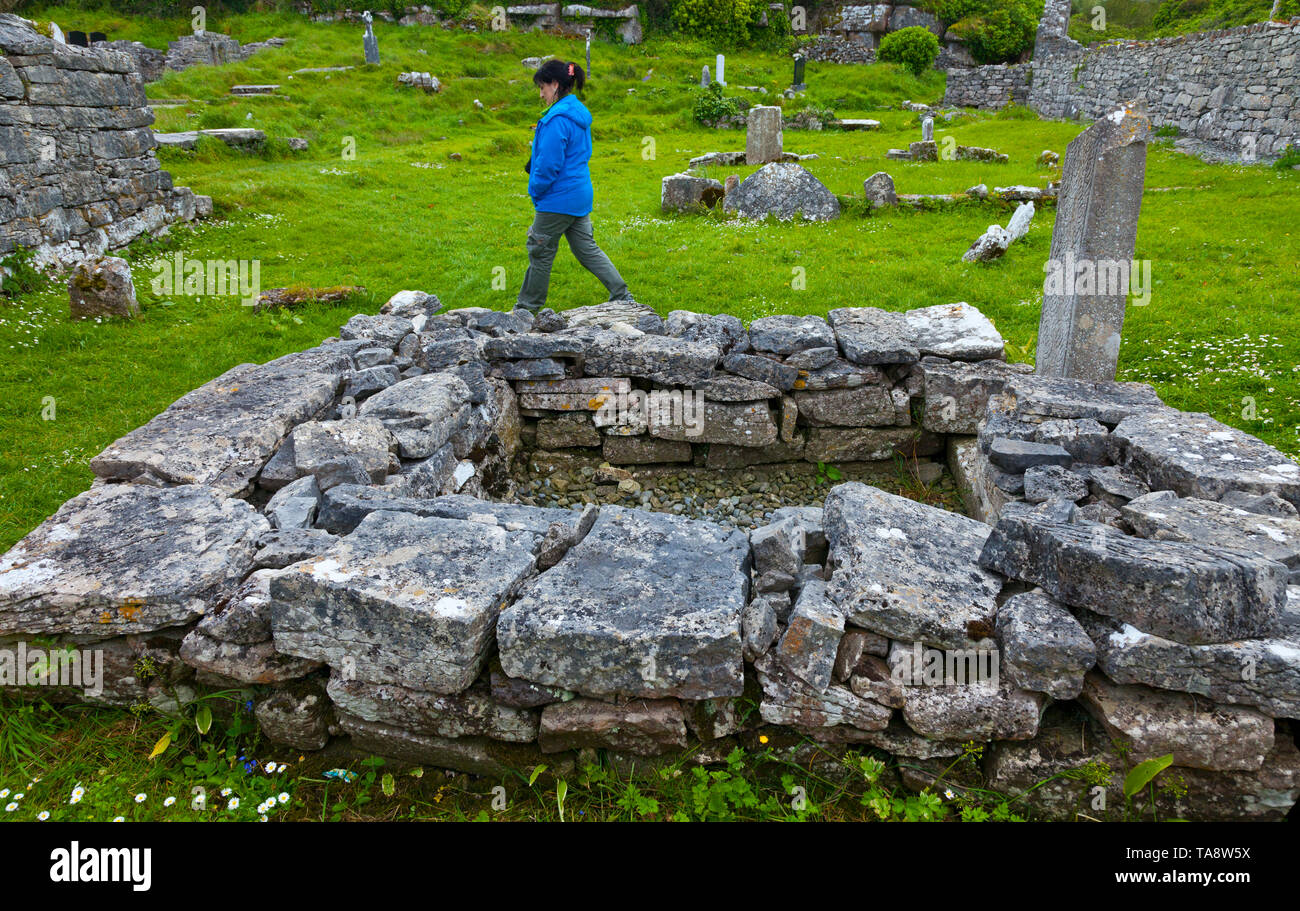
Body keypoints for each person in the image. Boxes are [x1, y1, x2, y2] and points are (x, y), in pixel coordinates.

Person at [516, 59, 632, 314]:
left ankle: (525, 310)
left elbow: (549, 166)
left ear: (555, 85)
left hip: (557, 199)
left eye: (543, 87)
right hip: (579, 194)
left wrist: (535, 189)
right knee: (587, 249)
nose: (541, 93)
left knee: (540, 251)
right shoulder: (578, 113)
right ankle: (622, 295)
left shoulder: (556, 119)